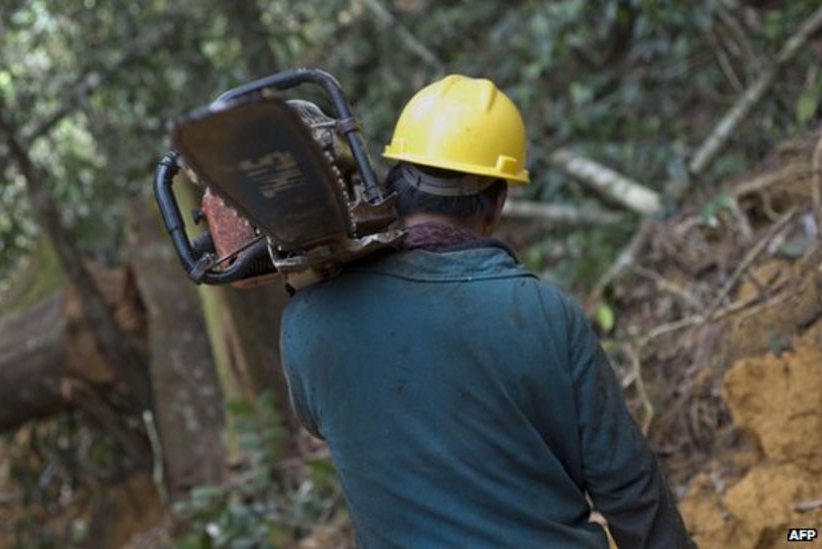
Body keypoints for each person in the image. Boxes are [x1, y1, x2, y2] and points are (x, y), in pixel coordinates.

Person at [279, 74, 694, 548]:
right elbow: (629, 491)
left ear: (392, 181)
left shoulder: (308, 324)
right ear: (498, 201)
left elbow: (318, 419)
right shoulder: (546, 315)